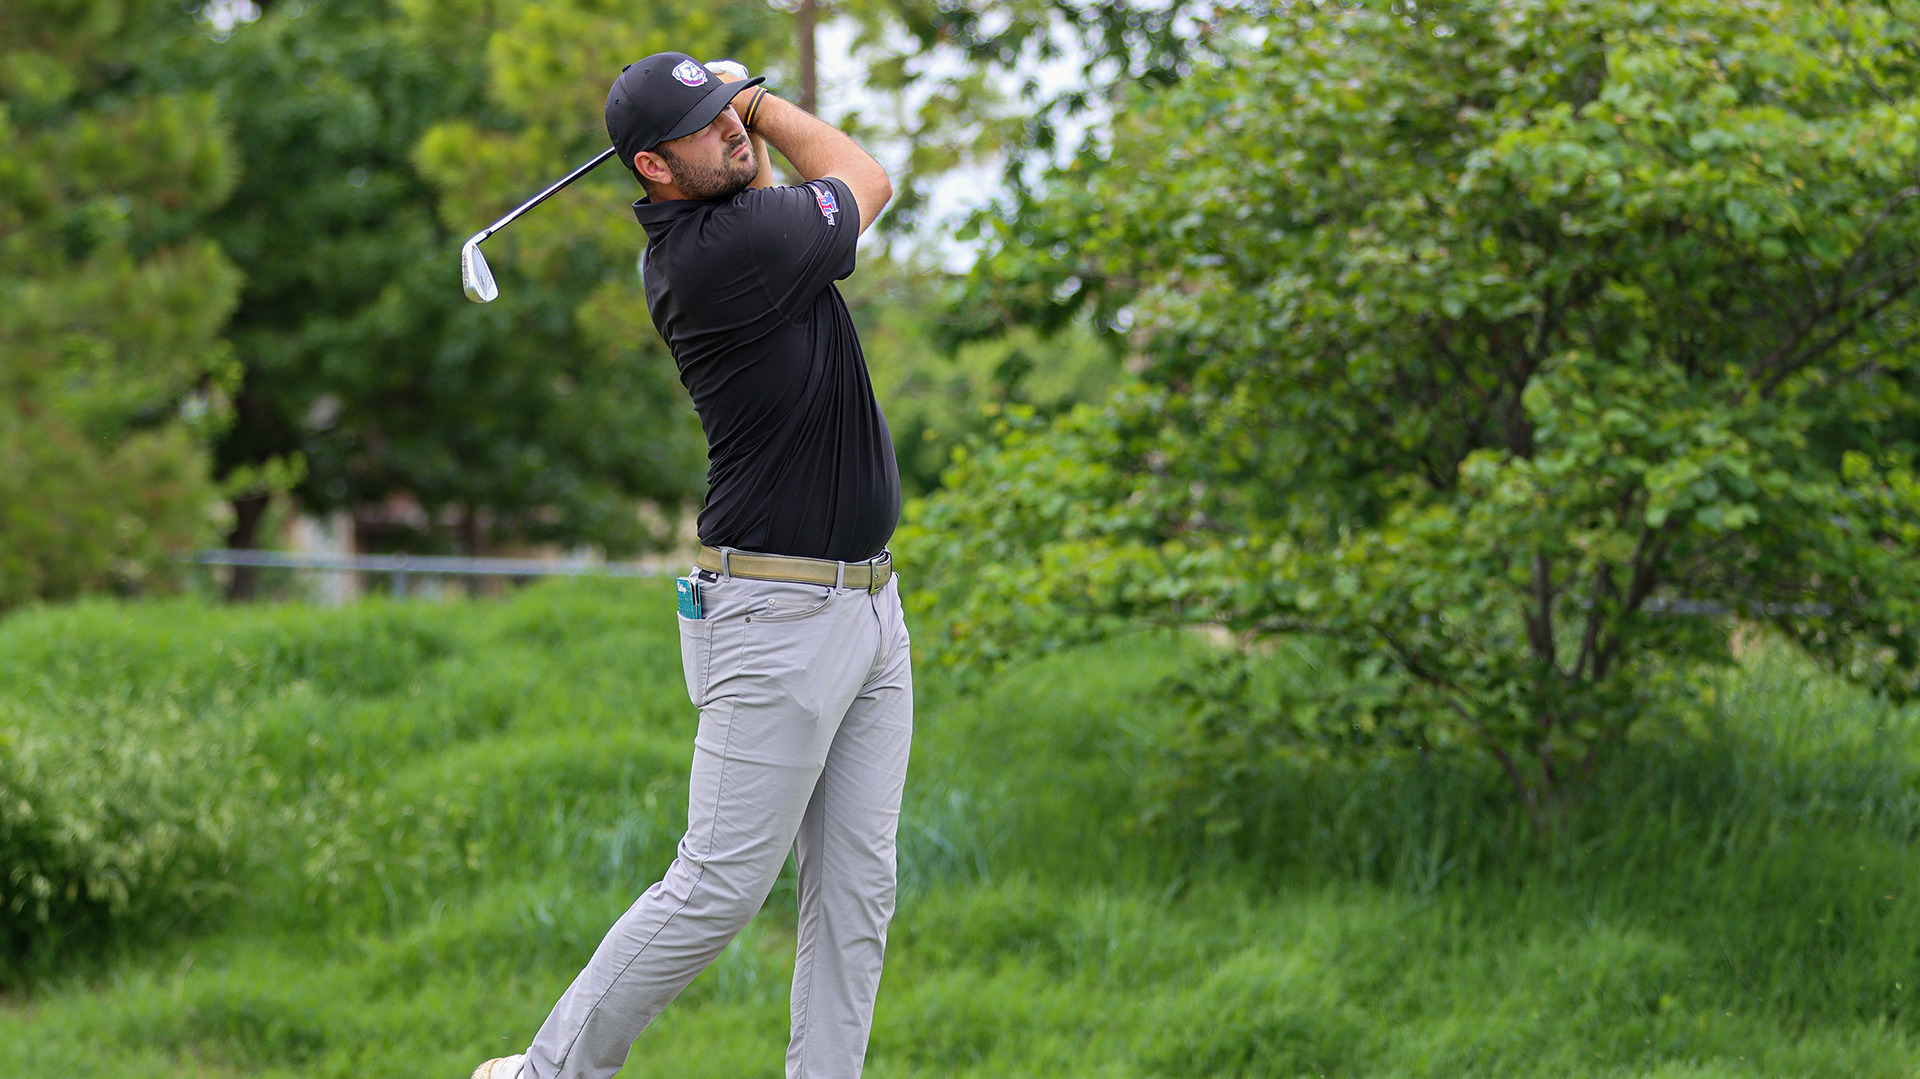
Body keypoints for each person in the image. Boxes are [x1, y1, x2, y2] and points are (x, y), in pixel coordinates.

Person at [470, 52, 910, 1079]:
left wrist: (727, 115)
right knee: (715, 884)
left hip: (871, 604)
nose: (735, 131)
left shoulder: (739, 224)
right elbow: (867, 174)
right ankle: (546, 1072)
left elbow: (773, 182)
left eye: (730, 113)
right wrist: (758, 94)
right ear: (654, 169)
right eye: (710, 124)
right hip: (776, 613)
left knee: (857, 884)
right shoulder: (727, 254)